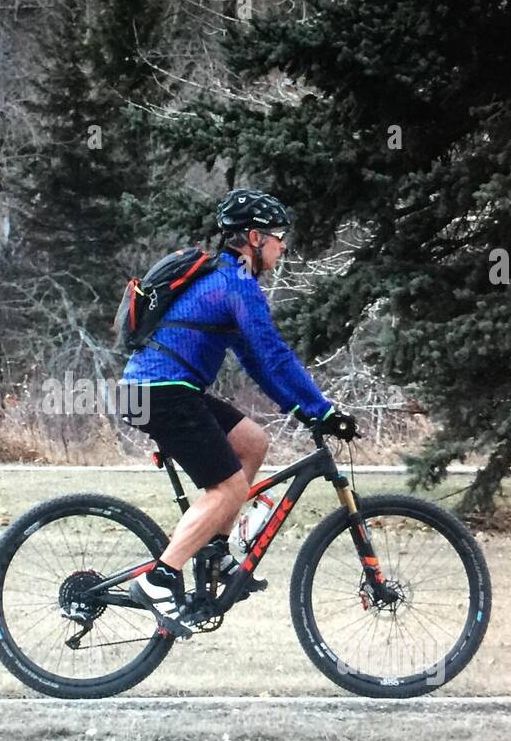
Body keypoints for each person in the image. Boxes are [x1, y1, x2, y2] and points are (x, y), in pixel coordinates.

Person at [121, 189, 358, 615]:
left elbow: (258, 363)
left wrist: (304, 409)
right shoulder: (237, 284)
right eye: (277, 236)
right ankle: (160, 580)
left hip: (162, 391)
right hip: (160, 393)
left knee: (252, 443)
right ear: (254, 237)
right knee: (229, 487)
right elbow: (275, 355)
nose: (282, 245)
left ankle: (214, 552)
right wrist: (322, 411)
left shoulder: (231, 280)